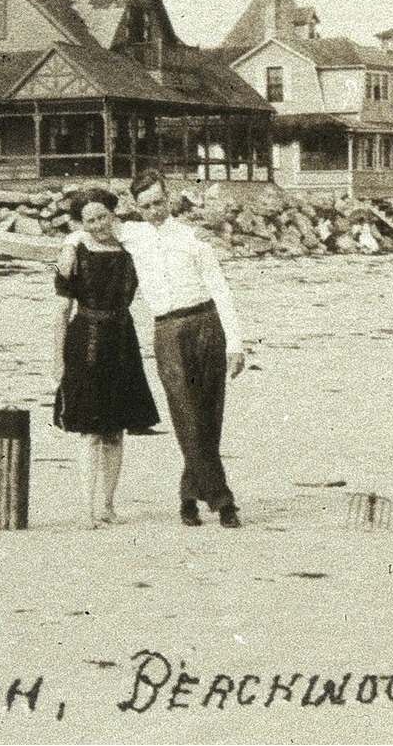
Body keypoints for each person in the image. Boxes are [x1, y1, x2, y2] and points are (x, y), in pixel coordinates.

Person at [61, 171, 249, 527]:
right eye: (145, 206)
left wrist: (236, 344)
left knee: (209, 417)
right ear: (135, 208)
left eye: (158, 203)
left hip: (207, 323)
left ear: (170, 198)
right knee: (184, 415)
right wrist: (70, 244)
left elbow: (221, 290)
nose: (154, 212)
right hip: (167, 331)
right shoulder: (132, 233)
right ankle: (222, 499)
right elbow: (91, 226)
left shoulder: (193, 237)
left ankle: (188, 497)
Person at [51, 189, 162, 528]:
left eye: (103, 217)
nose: (98, 224)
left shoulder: (131, 248)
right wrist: (57, 360)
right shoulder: (75, 251)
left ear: (113, 214)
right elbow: (61, 310)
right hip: (85, 341)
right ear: (80, 224)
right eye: (90, 220)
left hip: (123, 341)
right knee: (89, 431)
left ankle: (108, 506)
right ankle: (86, 509)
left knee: (115, 431)